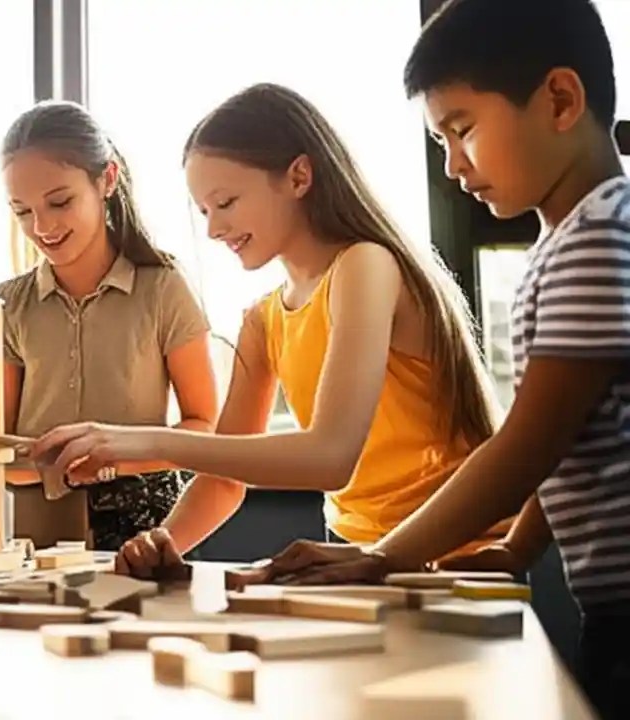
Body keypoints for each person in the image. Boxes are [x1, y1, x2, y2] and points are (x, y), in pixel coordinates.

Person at [232, 3, 630, 718]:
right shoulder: (571, 240)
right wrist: (517, 547)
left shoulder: (596, 243)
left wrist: (383, 555)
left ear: (560, 101)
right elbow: (567, 441)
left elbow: (527, 445)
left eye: (463, 129)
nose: (452, 166)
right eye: (440, 140)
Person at [30, 83, 513, 572]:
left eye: (226, 203)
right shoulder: (263, 321)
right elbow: (223, 481)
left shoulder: (364, 265)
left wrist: (147, 440)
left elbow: (331, 457)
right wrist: (157, 546)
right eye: (204, 212)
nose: (214, 229)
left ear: (299, 176)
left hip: (459, 562)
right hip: (365, 561)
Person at [0, 99, 219, 551]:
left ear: (107, 179)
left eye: (60, 202)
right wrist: (44, 466)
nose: (42, 226)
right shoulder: (8, 305)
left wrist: (114, 458)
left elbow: (204, 427)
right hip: (36, 528)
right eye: (22, 211)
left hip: (148, 522)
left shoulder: (163, 287)